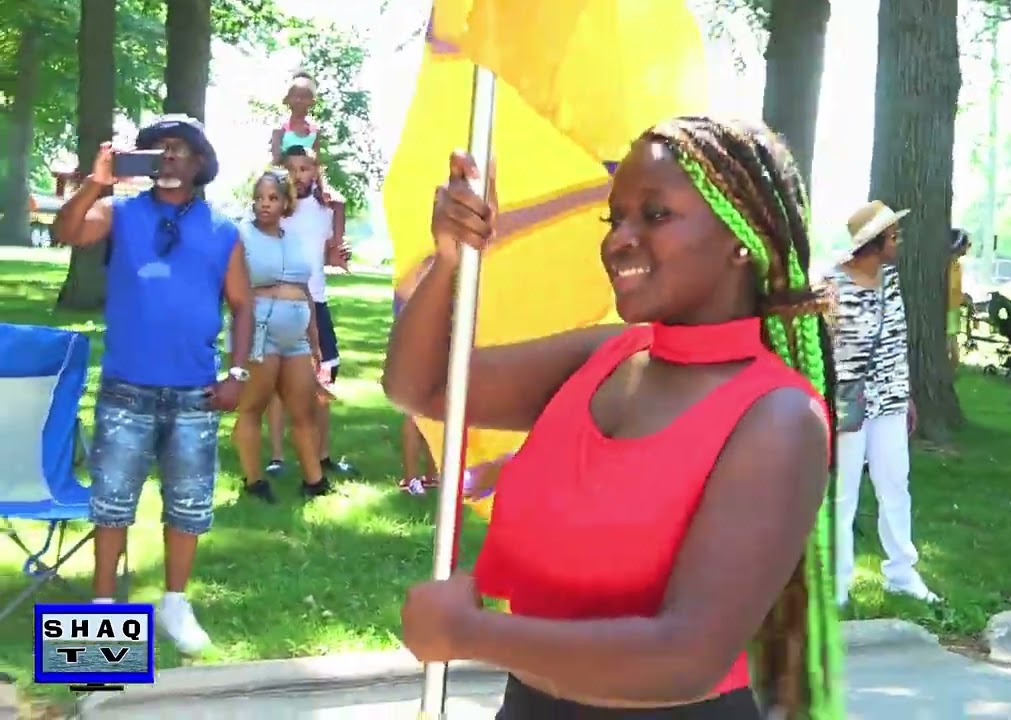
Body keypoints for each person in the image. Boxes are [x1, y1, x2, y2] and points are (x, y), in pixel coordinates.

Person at [385, 117, 845, 718]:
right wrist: (449, 258)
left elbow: (688, 656)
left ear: (742, 238)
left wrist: (472, 635)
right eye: (615, 217)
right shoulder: (604, 358)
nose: (618, 240)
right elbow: (421, 386)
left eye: (655, 216)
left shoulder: (777, 417)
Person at [50, 115, 252, 653]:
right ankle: (102, 611)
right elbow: (65, 232)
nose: (167, 159)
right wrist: (96, 180)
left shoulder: (222, 230)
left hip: (194, 394)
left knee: (188, 505)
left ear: (201, 164)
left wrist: (237, 373)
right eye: (156, 150)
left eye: (180, 150)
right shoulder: (119, 213)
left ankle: (174, 604)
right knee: (112, 503)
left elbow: (242, 305)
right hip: (127, 389)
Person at [824, 201, 935, 606]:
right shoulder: (830, 284)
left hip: (889, 400)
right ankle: (837, 583)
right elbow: (824, 348)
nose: (898, 242)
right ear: (874, 242)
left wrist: (905, 396)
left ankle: (902, 573)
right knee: (844, 494)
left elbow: (895, 343)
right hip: (847, 405)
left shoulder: (890, 280)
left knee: (895, 485)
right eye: (893, 236)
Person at [233, 171, 334, 502]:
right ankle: (254, 482)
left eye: (273, 198)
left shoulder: (292, 239)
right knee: (253, 407)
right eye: (260, 197)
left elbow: (306, 291)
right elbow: (229, 284)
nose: (265, 203)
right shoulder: (241, 235)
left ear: (286, 203)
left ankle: (314, 482)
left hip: (297, 338)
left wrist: (316, 344)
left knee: (303, 409)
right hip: (261, 332)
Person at [263, 146, 357, 479]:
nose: (298, 175)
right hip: (282, 302)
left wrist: (338, 257)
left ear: (315, 171)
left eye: (305, 168)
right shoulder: (274, 209)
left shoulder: (324, 210)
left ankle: (323, 454)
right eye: (291, 168)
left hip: (316, 301)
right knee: (276, 380)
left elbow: (328, 253)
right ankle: (276, 457)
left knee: (323, 378)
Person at [268, 71, 347, 267]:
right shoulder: (281, 129)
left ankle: (336, 246)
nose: (300, 100)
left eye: (305, 96)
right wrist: (293, 161)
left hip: (307, 177)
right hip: (284, 177)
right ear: (288, 99)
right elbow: (276, 158)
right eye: (296, 95)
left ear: (312, 101)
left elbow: (317, 162)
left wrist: (323, 186)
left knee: (338, 202)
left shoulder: (314, 131)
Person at [392, 257, 439, 494]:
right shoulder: (422, 265)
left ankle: (432, 475)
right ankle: (412, 478)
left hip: (441, 343)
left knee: (437, 411)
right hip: (419, 343)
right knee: (416, 414)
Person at [947, 228, 971, 370]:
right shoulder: (947, 266)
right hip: (946, 311)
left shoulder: (957, 266)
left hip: (953, 311)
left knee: (954, 353)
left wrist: (964, 298)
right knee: (949, 348)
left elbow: (955, 290)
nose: (968, 248)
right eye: (966, 244)